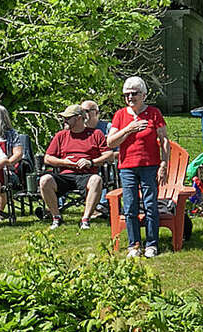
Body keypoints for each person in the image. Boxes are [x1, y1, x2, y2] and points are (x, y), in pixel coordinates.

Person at [104, 75, 169, 258]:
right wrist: (128, 129)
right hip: (128, 167)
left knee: (150, 205)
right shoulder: (120, 115)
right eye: (126, 95)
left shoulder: (154, 113)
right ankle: (134, 245)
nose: (130, 98)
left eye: (134, 94)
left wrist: (164, 163)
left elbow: (164, 140)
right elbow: (110, 142)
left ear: (144, 95)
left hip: (150, 166)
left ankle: (152, 244)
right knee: (130, 206)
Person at [39, 103, 107, 227]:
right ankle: (56, 217)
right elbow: (47, 158)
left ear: (79, 118)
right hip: (65, 175)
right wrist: (65, 162)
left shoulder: (96, 134)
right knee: (45, 180)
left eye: (68, 118)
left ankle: (85, 219)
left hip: (87, 174)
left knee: (96, 180)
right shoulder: (61, 135)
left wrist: (91, 162)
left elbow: (109, 156)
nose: (64, 120)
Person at [0, 104, 31, 195]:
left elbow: (18, 154)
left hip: (6, 171)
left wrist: (4, 165)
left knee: (1, 177)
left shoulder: (11, 134)